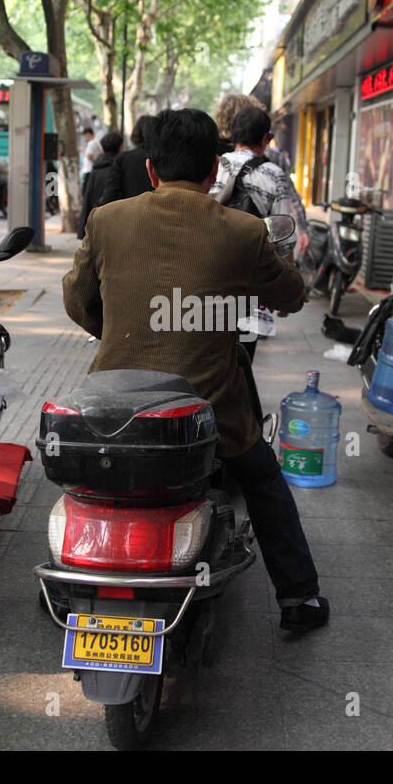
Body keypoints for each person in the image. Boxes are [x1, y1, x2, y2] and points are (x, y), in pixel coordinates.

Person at [62, 108, 329, 632]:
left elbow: (77, 301)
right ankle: (299, 599)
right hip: (208, 413)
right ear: (214, 170)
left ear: (152, 170)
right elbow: (293, 296)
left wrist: (114, 330)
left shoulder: (107, 219)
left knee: (80, 487)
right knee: (264, 479)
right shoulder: (243, 233)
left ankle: (73, 582)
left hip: (111, 405)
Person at [211, 106, 310, 354]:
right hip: (250, 283)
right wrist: (287, 289)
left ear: (233, 135)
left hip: (209, 276)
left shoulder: (213, 166)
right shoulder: (275, 175)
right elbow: (283, 235)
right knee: (243, 357)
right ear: (266, 138)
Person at [101, 114, 156, 209]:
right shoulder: (163, 157)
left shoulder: (122, 159)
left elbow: (110, 195)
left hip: (129, 216)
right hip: (157, 216)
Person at [78, 130, 123, 239]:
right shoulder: (121, 168)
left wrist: (83, 230)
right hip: (117, 224)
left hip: (97, 223)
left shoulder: (96, 169)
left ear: (102, 149)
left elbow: (87, 199)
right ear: (120, 148)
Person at [79, 125, 98, 196]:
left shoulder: (91, 143)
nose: (85, 138)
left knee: (86, 192)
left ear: (88, 134)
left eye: (85, 136)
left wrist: (84, 151)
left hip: (88, 170)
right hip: (92, 169)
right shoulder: (96, 142)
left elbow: (89, 156)